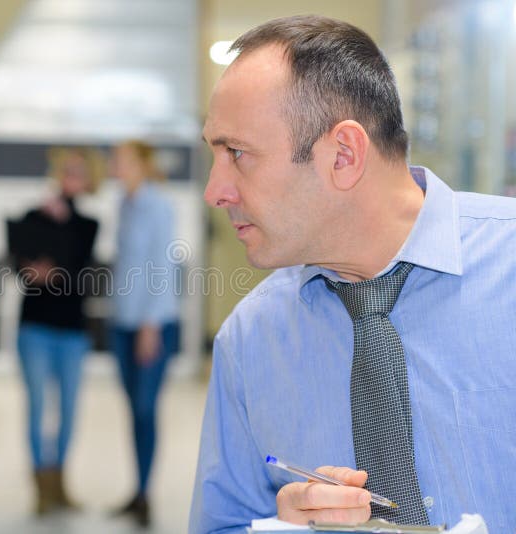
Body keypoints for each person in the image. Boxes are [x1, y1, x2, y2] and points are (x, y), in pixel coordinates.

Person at [190, 15, 516, 533]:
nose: (215, 191)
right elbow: (220, 524)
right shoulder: (251, 342)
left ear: (343, 155)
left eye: (236, 153)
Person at [8, 147, 101, 515]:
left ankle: (60, 484)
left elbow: (79, 272)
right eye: (67, 171)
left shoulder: (88, 225)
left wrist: (53, 269)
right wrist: (42, 268)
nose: (71, 178)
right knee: (36, 407)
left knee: (68, 409)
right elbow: (20, 265)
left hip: (72, 331)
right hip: (35, 327)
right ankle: (41, 489)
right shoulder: (33, 216)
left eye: (79, 172)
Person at [109, 140, 180, 528]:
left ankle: (146, 492)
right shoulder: (125, 204)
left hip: (152, 326)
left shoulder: (158, 206)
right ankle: (136, 491)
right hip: (123, 324)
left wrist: (150, 325)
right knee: (132, 411)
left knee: (145, 408)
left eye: (121, 158)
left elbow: (161, 268)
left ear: (141, 164)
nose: (114, 164)